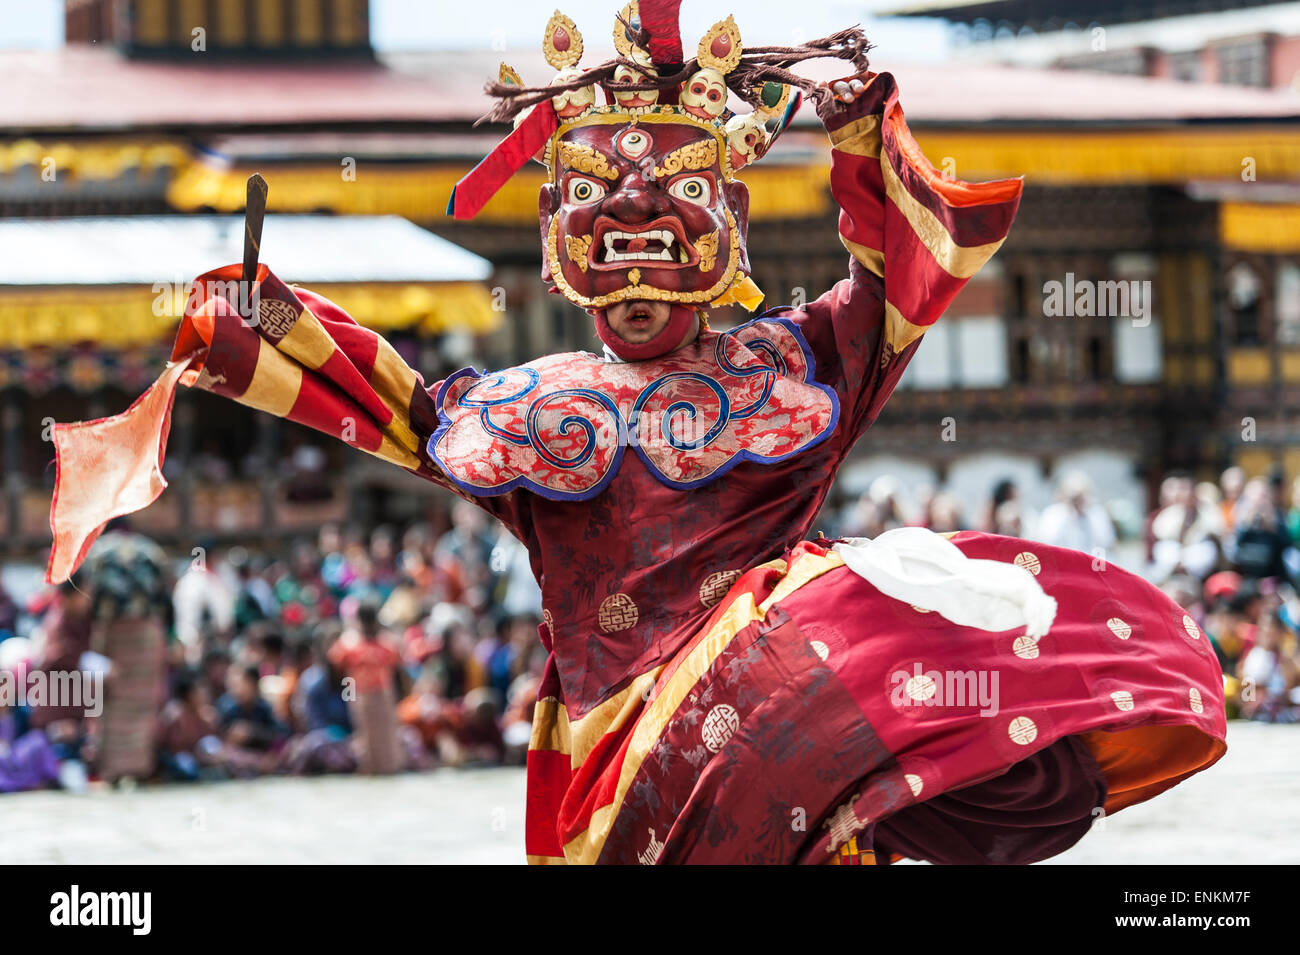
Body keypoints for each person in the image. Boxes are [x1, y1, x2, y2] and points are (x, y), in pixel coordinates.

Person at [47, 3, 1225, 864]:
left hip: (781, 716)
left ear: (731, 221)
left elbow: (901, 285)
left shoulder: (801, 362)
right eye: (599, 210)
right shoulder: (523, 408)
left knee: (844, 592)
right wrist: (261, 321)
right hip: (616, 754)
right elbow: (392, 404)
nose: (634, 230)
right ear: (560, 229)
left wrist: (862, 145)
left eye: (671, 204)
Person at [329, 600, 403, 775]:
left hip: (382, 691)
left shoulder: (385, 642)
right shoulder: (350, 642)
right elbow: (337, 667)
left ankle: (389, 768)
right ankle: (369, 769)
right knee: (365, 734)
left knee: (386, 733)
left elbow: (396, 665)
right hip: (358, 691)